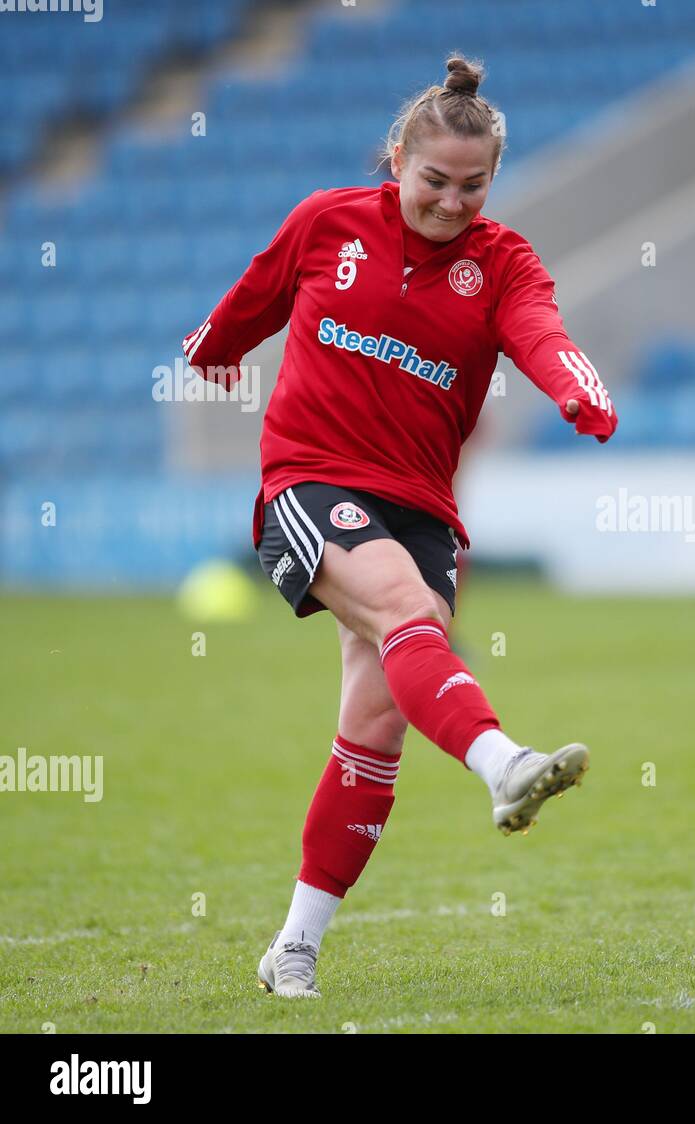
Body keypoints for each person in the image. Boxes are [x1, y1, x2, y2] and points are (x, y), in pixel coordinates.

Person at [182, 56, 618, 996]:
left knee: (377, 721)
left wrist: (572, 382)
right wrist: (213, 348)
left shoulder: (502, 262)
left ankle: (293, 946)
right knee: (405, 611)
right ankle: (504, 764)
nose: (451, 202)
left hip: (421, 508)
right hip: (309, 481)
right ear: (396, 160)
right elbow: (255, 296)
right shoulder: (325, 222)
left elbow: (539, 327)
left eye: (473, 186)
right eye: (434, 181)